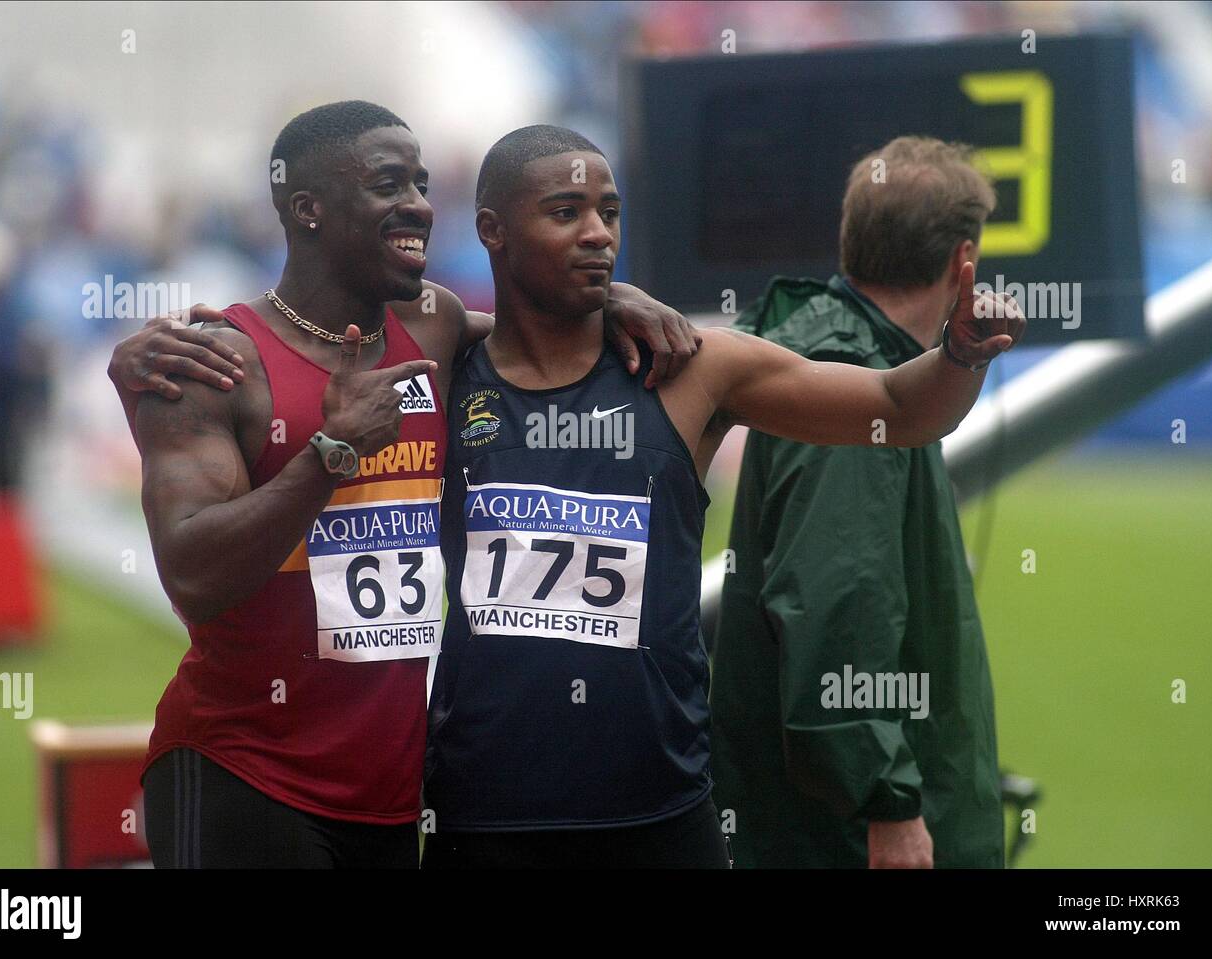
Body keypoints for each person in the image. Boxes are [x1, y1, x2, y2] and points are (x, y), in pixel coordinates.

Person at [419, 126, 1024, 868]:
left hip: (662, 815)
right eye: (564, 211)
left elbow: (897, 409)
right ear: (492, 230)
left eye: (609, 212)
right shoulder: (446, 370)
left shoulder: (689, 371)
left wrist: (958, 356)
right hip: (485, 811)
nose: (597, 233)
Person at [110, 101, 692, 868]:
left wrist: (611, 292)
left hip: (388, 794)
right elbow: (192, 574)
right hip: (242, 769)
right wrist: (329, 455)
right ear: (306, 208)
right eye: (389, 184)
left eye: (421, 183)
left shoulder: (435, 325)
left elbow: (537, 331)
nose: (418, 203)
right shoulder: (215, 365)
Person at [710, 136, 1007, 869]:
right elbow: (836, 598)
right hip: (843, 837)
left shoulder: (828, 351)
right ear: (961, 263)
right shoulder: (854, 371)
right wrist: (888, 803)